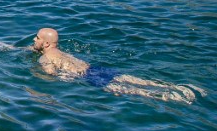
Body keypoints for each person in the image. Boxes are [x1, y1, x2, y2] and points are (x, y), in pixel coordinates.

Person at [28, 27, 197, 103]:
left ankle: (171, 97)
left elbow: (50, 75)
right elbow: (34, 49)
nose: (34, 39)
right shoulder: (59, 52)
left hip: (86, 77)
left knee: (134, 91)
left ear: (46, 44)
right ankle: (179, 87)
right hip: (94, 68)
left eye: (37, 38)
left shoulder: (46, 58)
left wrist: (39, 83)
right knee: (138, 81)